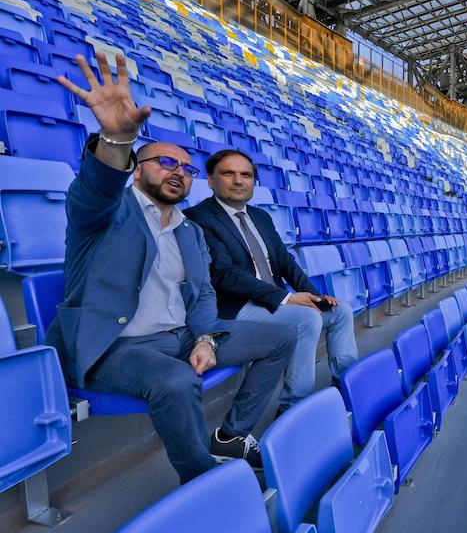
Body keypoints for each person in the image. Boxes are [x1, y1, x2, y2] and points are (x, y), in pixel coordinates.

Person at [48, 52, 296, 484]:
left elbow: (202, 293)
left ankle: (232, 435)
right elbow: (95, 189)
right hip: (116, 347)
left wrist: (206, 338)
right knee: (178, 380)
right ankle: (202, 483)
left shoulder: (190, 230)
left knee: (282, 335)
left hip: (180, 336)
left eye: (185, 167)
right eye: (164, 162)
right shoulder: (105, 215)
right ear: (136, 171)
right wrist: (116, 141)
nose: (178, 172)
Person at [184, 150, 358, 416]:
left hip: (271, 301)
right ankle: (294, 408)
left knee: (341, 311)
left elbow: (285, 261)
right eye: (228, 173)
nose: (238, 181)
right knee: (306, 319)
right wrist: (286, 298)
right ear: (210, 180)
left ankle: (349, 388)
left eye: (246, 175)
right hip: (235, 307)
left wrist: (315, 296)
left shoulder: (260, 216)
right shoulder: (198, 217)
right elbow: (223, 273)